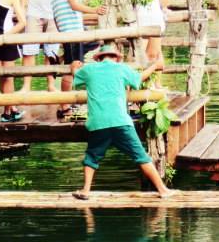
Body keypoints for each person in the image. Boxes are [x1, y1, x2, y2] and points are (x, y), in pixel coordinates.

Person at [70, 43, 172, 200]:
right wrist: (155, 66)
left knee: (92, 155)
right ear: (116, 58)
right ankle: (162, 190)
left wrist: (74, 68)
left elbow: (76, 79)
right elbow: (138, 79)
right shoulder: (122, 68)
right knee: (141, 156)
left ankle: (85, 190)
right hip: (120, 121)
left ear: (98, 59)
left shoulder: (89, 70)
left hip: (98, 122)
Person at [51, 0, 107, 119]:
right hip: (73, 32)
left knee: (94, 44)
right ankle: (65, 106)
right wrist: (95, 10)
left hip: (69, 30)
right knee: (72, 67)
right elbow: (74, 5)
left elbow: (58, 12)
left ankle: (66, 103)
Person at [134, 0, 168, 78]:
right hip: (141, 18)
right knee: (140, 54)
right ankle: (139, 83)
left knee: (154, 54)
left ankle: (155, 84)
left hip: (155, 19)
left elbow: (164, 2)